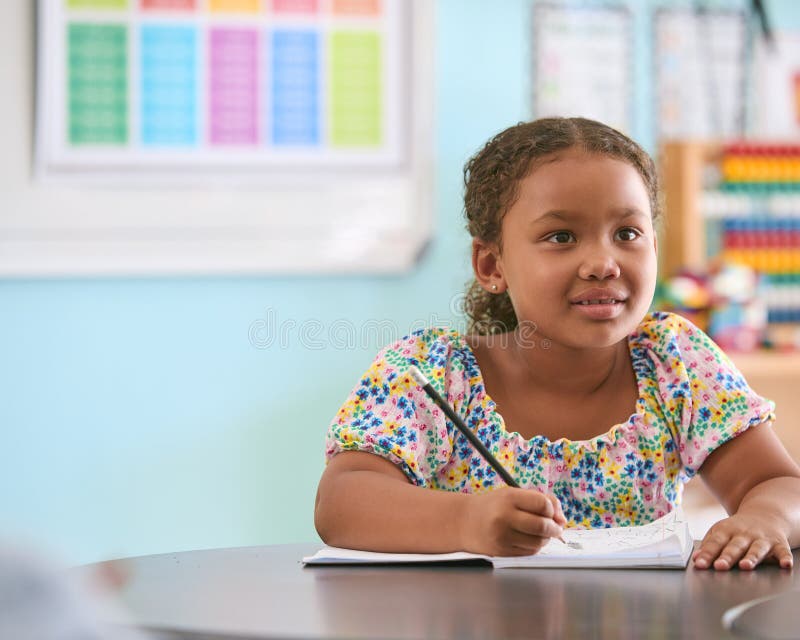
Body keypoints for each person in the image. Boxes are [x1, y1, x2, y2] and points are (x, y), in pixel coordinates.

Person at [314, 117, 800, 571]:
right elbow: (343, 503)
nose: (603, 263)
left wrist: (766, 519)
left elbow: (778, 485)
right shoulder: (432, 371)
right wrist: (466, 521)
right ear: (492, 266)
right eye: (561, 236)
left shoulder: (674, 362)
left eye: (627, 233)